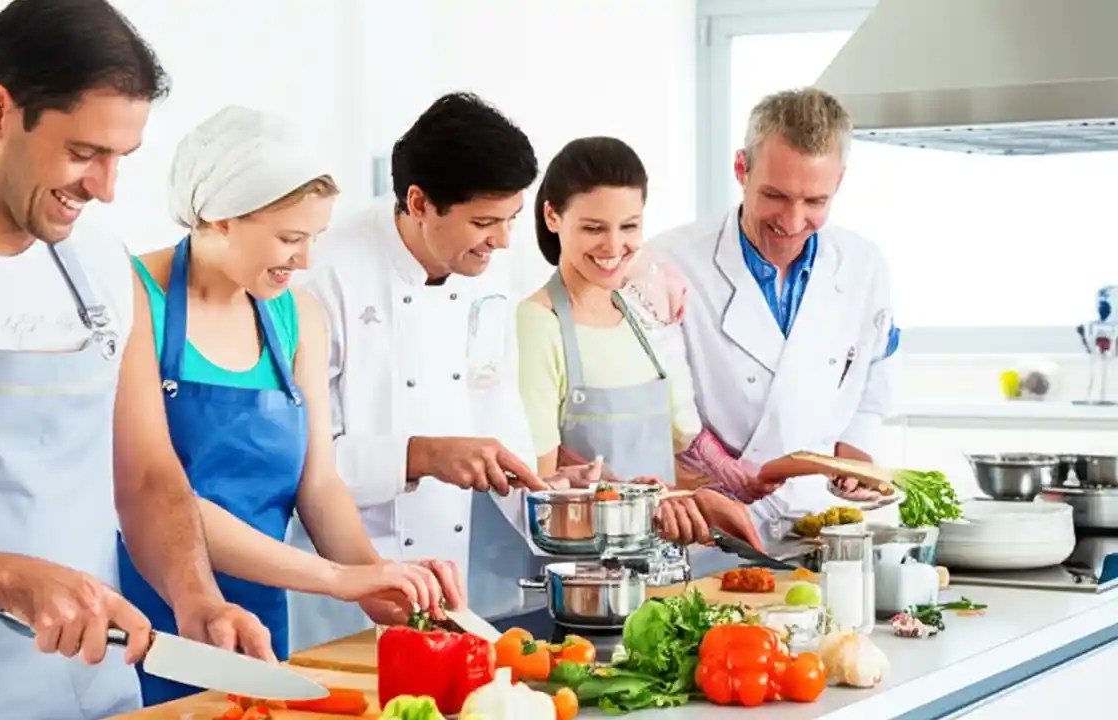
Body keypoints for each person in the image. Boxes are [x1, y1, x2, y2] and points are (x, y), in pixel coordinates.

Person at [0, 1, 268, 717]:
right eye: (83, 153)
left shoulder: (102, 264)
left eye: (119, 158)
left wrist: (198, 599)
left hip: (95, 698)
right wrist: (5, 579)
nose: (105, 188)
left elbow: (148, 477)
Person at [119, 105, 463, 705]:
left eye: (314, 239)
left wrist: (373, 579)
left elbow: (319, 484)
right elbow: (158, 493)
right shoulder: (131, 299)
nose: (305, 261)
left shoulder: (295, 316)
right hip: (145, 618)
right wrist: (336, 579)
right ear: (220, 218)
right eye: (289, 238)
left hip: (257, 623)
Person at [287, 92, 565, 652]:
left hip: (443, 576)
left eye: (511, 219)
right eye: (484, 222)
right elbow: (302, 463)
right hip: (341, 592)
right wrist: (425, 454)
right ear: (419, 202)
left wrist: (549, 500)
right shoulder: (325, 274)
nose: (503, 240)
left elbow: (493, 400)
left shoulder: (483, 268)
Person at [647, 87, 900, 545]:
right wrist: (707, 473)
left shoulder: (865, 265)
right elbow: (650, 407)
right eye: (775, 196)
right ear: (741, 169)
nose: (792, 220)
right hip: (711, 526)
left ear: (838, 182)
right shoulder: (666, 262)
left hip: (824, 524)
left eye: (815, 201)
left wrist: (856, 450)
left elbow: (876, 368)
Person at [517, 136, 766, 550]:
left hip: (662, 560)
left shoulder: (643, 312)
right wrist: (650, 503)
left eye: (629, 226)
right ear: (552, 217)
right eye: (593, 228)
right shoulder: (538, 323)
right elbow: (541, 493)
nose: (614, 246)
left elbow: (673, 457)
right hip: (586, 579)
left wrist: (701, 502)